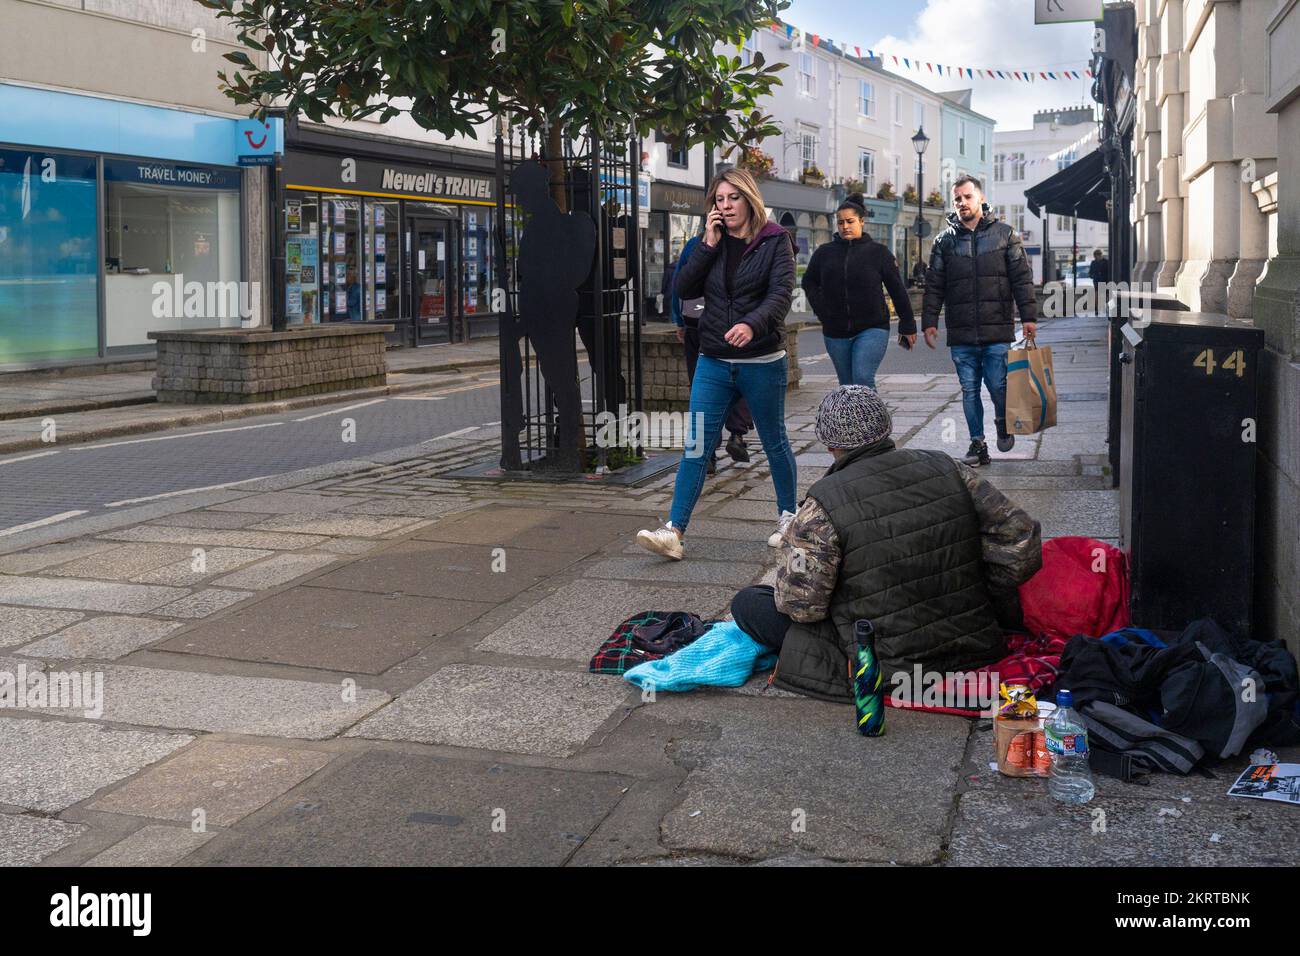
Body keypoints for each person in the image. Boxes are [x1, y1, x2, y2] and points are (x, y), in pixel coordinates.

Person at [730, 385, 1043, 699]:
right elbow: (1020, 540)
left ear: (830, 445)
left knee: (749, 603)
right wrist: (969, 581)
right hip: (976, 642)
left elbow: (802, 607)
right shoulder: (949, 468)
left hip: (885, 663)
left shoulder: (821, 505)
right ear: (887, 429)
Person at [636, 167, 798, 560]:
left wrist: (750, 323)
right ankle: (674, 531)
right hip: (713, 359)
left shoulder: (776, 240)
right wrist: (708, 244)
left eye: (732, 198)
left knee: (774, 441)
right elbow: (682, 289)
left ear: (749, 198)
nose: (725, 207)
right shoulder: (707, 241)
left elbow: (780, 296)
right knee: (696, 445)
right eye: (719, 200)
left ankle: (789, 519)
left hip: (762, 359)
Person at [921, 174, 1037, 467]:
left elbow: (1021, 279)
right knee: (969, 389)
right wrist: (930, 320)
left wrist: (1028, 317)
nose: (962, 202)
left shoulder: (1005, 235)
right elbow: (934, 283)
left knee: (998, 386)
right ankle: (978, 443)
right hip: (961, 331)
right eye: (957, 198)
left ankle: (1001, 419)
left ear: (981, 198)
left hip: (996, 328)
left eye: (967, 197)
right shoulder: (944, 242)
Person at [801, 192, 915, 389]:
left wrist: (908, 324)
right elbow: (809, 282)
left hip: (873, 328)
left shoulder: (879, 253)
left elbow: (897, 289)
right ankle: (856, 421)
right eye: (840, 222)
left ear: (862, 221)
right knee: (847, 386)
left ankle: (874, 421)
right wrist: (823, 311)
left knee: (862, 378)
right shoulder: (824, 253)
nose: (845, 226)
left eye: (850, 221)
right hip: (835, 331)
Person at [671, 232, 753, 474]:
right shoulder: (748, 242)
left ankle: (706, 452)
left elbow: (679, 283)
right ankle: (737, 434)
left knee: (702, 389)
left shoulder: (695, 244)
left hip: (697, 323)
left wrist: (679, 320)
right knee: (739, 381)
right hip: (734, 325)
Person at [1090, 248, 1110, 316]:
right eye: (1095, 256)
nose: (1097, 257)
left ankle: (1110, 308)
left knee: (1107, 296)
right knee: (1097, 296)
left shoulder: (1106, 262)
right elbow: (1090, 272)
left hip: (1105, 281)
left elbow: (1108, 271)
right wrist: (1093, 275)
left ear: (1101, 255)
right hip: (1097, 281)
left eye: (1098, 255)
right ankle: (1096, 310)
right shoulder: (1093, 262)